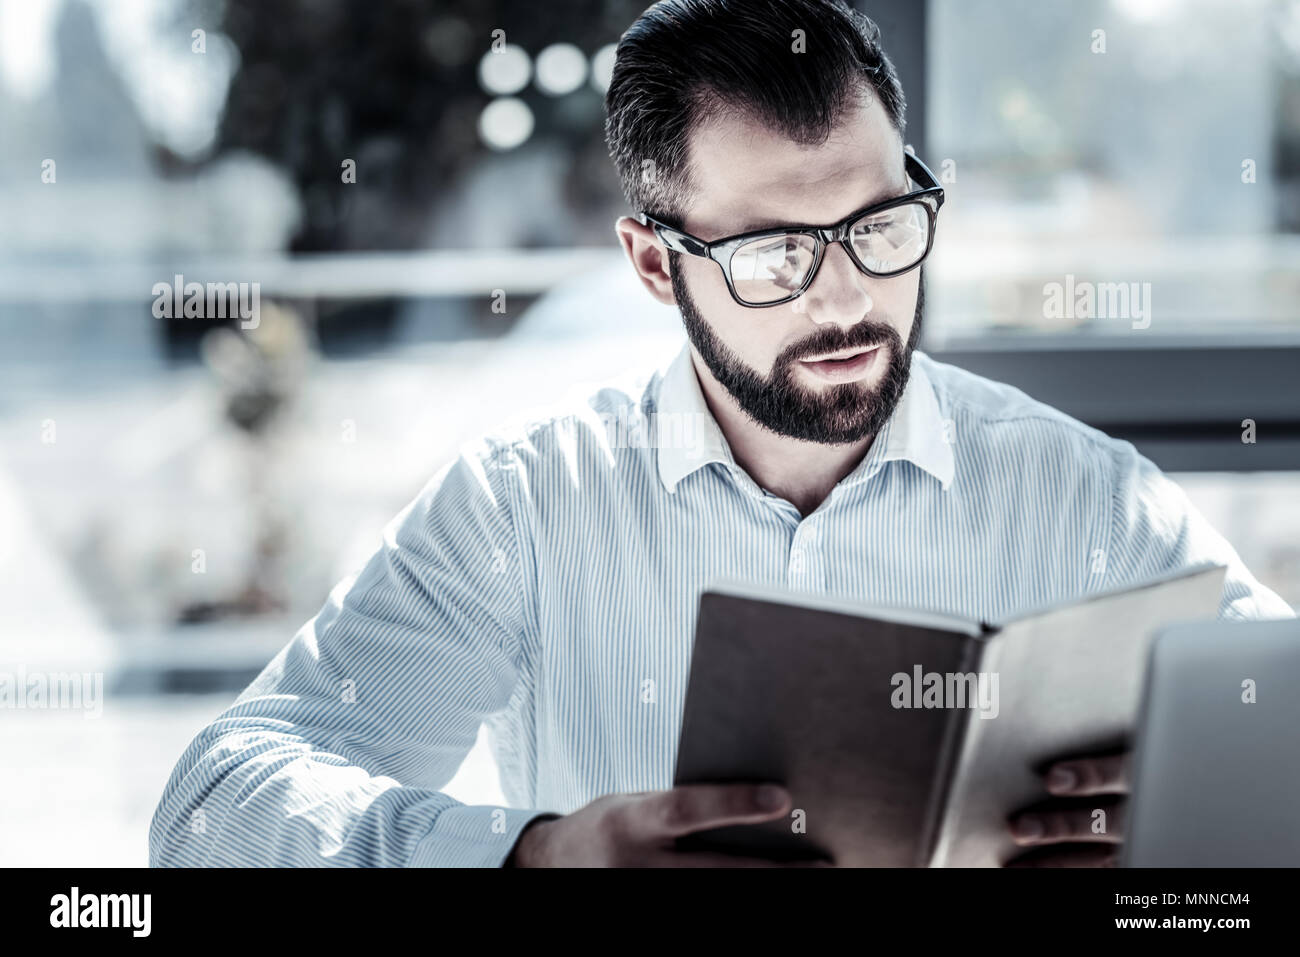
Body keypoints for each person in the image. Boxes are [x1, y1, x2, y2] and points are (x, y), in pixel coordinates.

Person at [149, 0, 1295, 869]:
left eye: (880, 225)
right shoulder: (525, 505)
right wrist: (532, 853)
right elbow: (215, 808)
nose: (844, 298)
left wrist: (1190, 836)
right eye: (773, 254)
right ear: (655, 263)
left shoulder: (1084, 496)